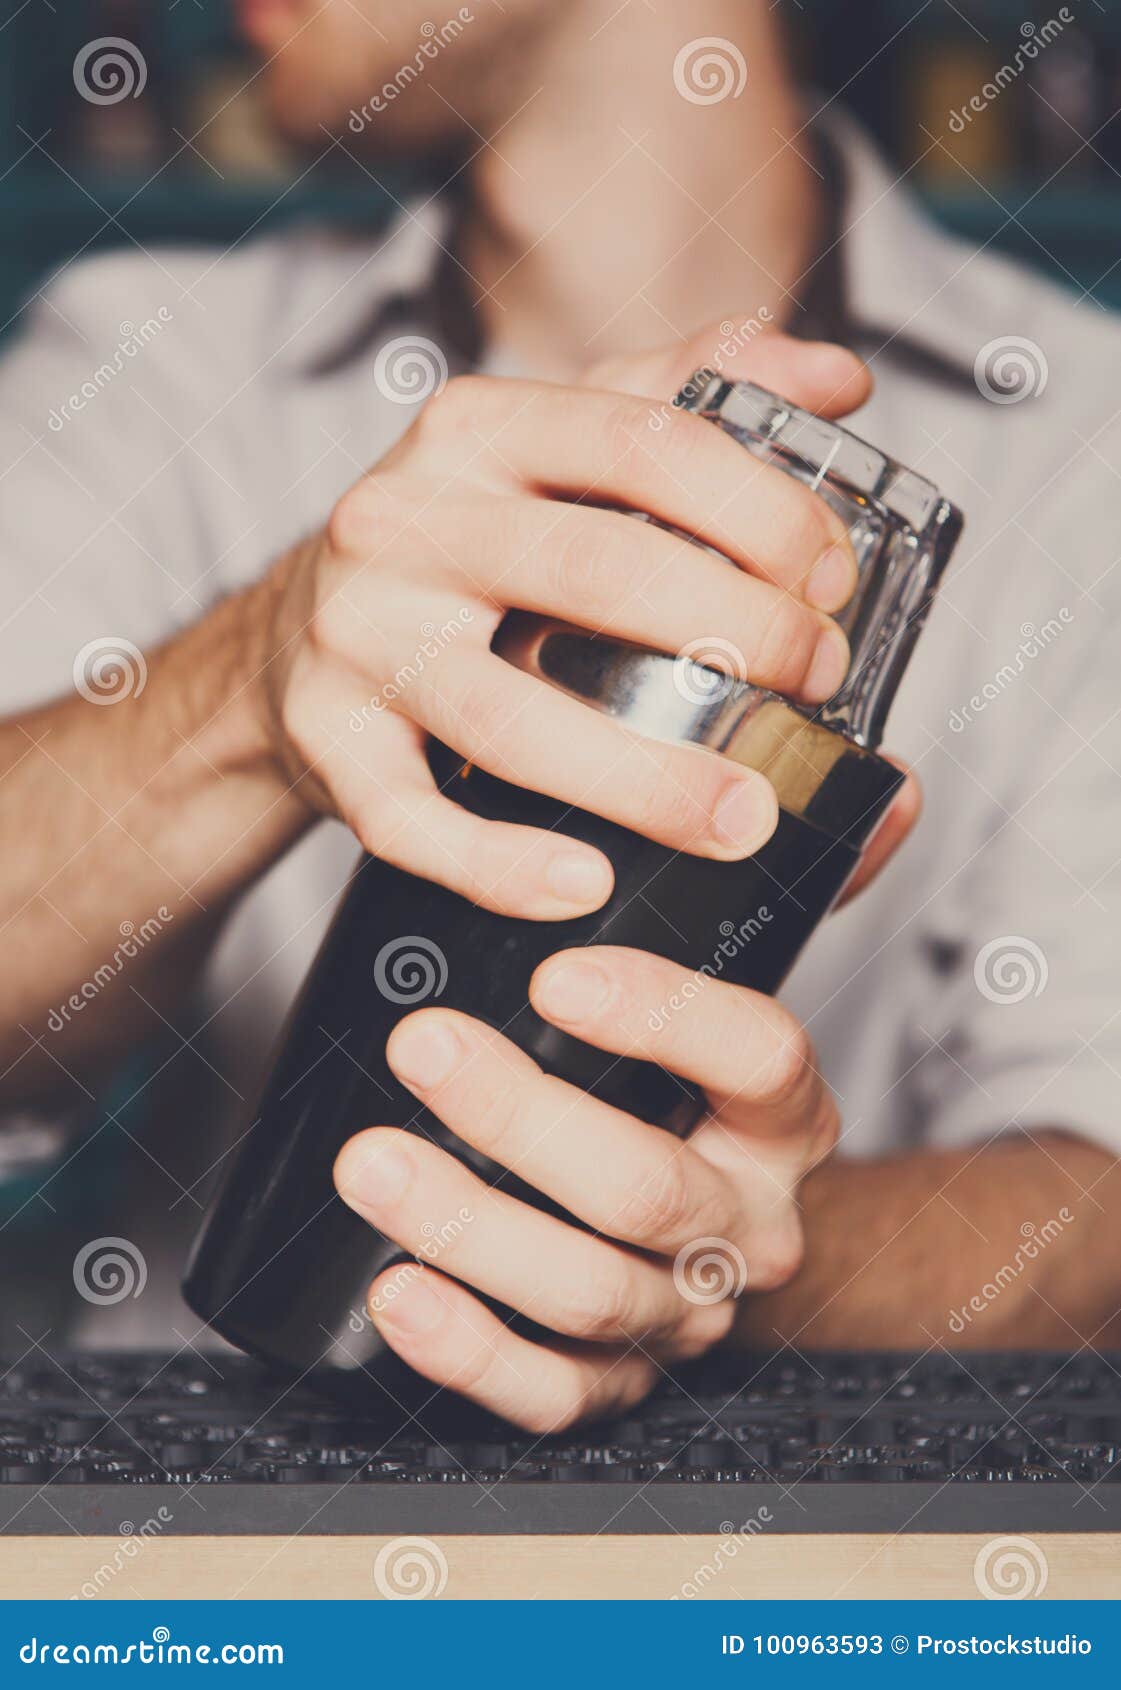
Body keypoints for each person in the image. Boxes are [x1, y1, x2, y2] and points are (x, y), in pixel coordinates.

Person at [1, 0, 1119, 1430]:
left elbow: (1097, 1200)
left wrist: (705, 1250)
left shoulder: (1089, 455)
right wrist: (244, 687)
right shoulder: (143, 364)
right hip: (194, 1548)